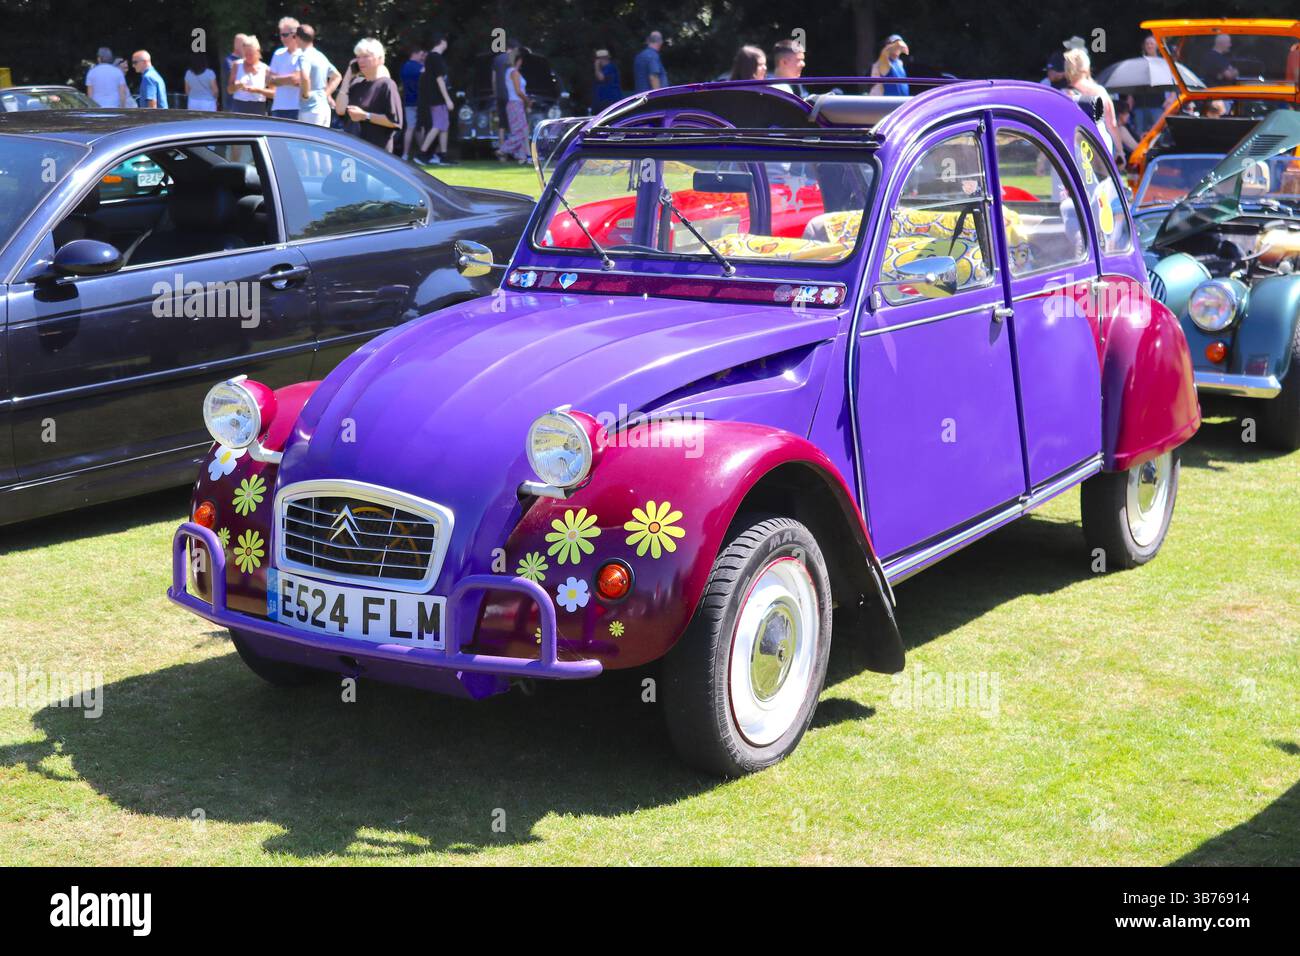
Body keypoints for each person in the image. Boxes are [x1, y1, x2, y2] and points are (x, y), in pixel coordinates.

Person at [336, 38, 402, 152]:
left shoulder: (386, 85)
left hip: (377, 153)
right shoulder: (356, 83)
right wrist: (348, 76)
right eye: (358, 57)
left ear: (380, 59)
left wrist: (365, 116)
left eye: (366, 56)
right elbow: (340, 110)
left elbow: (395, 122)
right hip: (355, 151)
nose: (360, 61)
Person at [1064, 47, 1122, 163]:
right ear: (1086, 67)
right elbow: (1112, 125)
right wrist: (1121, 151)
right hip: (1100, 142)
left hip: (1075, 144)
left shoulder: (1064, 95)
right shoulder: (1100, 91)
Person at [415, 34, 456, 165]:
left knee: (444, 126)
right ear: (442, 42)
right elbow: (440, 80)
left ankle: (443, 155)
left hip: (433, 97)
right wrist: (448, 99)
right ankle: (422, 153)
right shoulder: (436, 57)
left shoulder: (429, 58)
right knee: (438, 125)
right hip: (437, 98)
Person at [296, 24, 340, 126]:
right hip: (324, 109)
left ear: (298, 38)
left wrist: (305, 95)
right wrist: (326, 94)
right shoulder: (321, 56)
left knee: (306, 141)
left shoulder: (304, 56)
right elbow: (337, 76)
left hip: (310, 110)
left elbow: (305, 77)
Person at [498, 50, 531, 163]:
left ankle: (523, 156)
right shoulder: (514, 73)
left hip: (515, 103)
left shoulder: (509, 72)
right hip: (515, 103)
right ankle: (503, 149)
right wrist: (528, 101)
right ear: (519, 61)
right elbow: (518, 91)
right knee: (521, 132)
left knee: (523, 130)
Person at [268, 16, 304, 119]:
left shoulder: (303, 53)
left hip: (297, 107)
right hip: (278, 108)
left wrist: (277, 79)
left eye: (285, 35)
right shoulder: (278, 53)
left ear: (295, 35)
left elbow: (296, 79)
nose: (282, 38)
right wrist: (289, 79)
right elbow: (269, 81)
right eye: (281, 35)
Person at [227, 35, 272, 115]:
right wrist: (236, 86)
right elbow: (229, 90)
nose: (248, 57)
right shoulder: (237, 65)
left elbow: (273, 94)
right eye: (245, 54)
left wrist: (257, 90)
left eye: (251, 54)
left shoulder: (265, 69)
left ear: (258, 52)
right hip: (239, 106)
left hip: (258, 107)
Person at [1131, 35, 1165, 138]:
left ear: (1157, 46)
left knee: (1158, 134)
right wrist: (1130, 97)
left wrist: (1171, 96)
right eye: (1147, 44)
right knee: (1139, 133)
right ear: (1144, 46)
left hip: (1157, 103)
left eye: (1152, 43)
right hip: (1139, 103)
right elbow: (1133, 81)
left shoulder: (1163, 63)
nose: (1149, 46)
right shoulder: (1138, 63)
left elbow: (1170, 81)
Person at [400, 45, 425, 159]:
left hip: (408, 102)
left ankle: (405, 154)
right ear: (415, 54)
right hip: (420, 101)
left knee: (411, 128)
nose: (422, 57)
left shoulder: (404, 67)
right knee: (421, 128)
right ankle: (423, 153)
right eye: (421, 54)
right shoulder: (421, 67)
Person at [493, 37, 521, 134]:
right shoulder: (513, 60)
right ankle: (512, 146)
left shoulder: (497, 59)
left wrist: (495, 93)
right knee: (513, 121)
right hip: (511, 96)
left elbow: (493, 79)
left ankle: (502, 146)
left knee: (502, 123)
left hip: (500, 95)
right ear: (514, 48)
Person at [222, 34, 246, 111]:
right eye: (244, 44)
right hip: (232, 104)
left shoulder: (248, 61)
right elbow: (235, 78)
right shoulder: (229, 61)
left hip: (246, 103)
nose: (246, 47)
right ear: (236, 45)